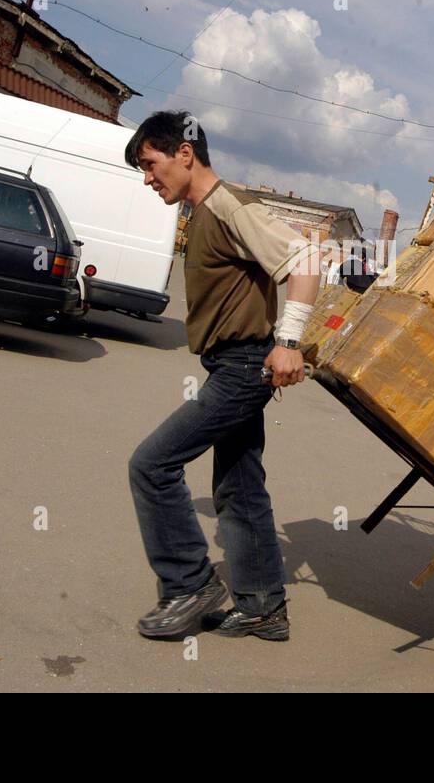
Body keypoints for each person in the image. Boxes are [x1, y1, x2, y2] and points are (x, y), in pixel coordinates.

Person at [123, 111, 320, 642]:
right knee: (238, 486)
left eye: (150, 163)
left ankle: (189, 585)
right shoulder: (205, 210)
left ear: (184, 154)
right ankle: (262, 608)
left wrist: (289, 341)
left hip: (242, 367)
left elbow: (305, 255)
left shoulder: (228, 204)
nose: (147, 177)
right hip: (231, 363)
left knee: (152, 464)